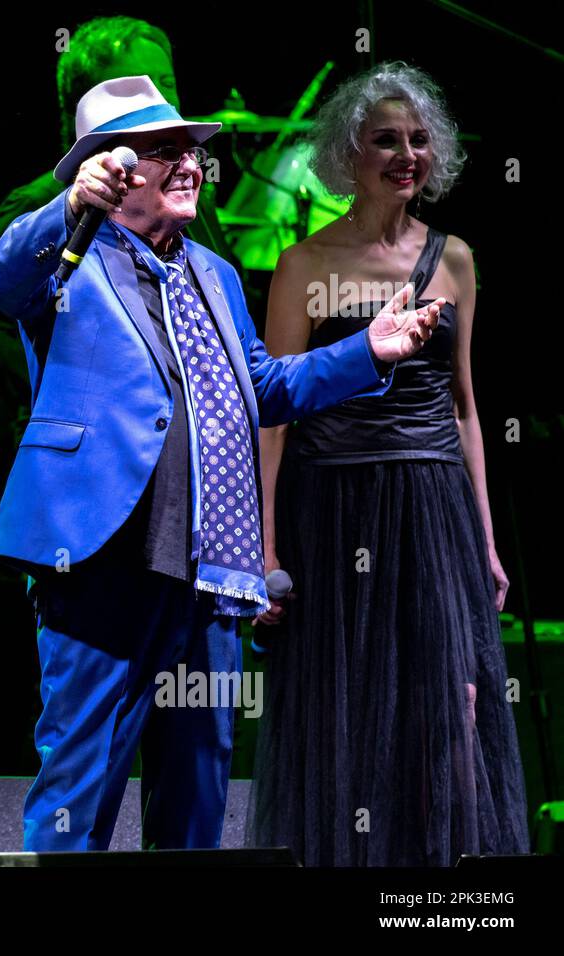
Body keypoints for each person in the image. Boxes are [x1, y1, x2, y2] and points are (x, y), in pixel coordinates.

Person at [0, 75, 443, 852]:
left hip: (209, 569)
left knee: (197, 793)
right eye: (163, 153)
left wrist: (368, 352)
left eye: (190, 151)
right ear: (109, 167)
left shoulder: (215, 274)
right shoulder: (69, 255)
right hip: (102, 555)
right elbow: (4, 278)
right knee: (80, 783)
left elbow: (262, 387)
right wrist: (72, 207)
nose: (191, 165)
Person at [246, 61, 528, 865]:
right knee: (347, 706)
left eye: (418, 140)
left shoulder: (457, 259)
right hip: (332, 504)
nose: (406, 154)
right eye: (385, 140)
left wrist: (484, 539)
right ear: (348, 153)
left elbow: (465, 406)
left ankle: (443, 894)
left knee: (454, 704)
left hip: (431, 498)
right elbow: (275, 418)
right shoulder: (303, 263)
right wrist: (263, 548)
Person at [0, 16, 243, 539]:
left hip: (191, 470)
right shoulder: (41, 204)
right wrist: (72, 389)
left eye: (166, 83)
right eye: (135, 86)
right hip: (93, 483)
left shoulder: (192, 201)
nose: (157, 99)